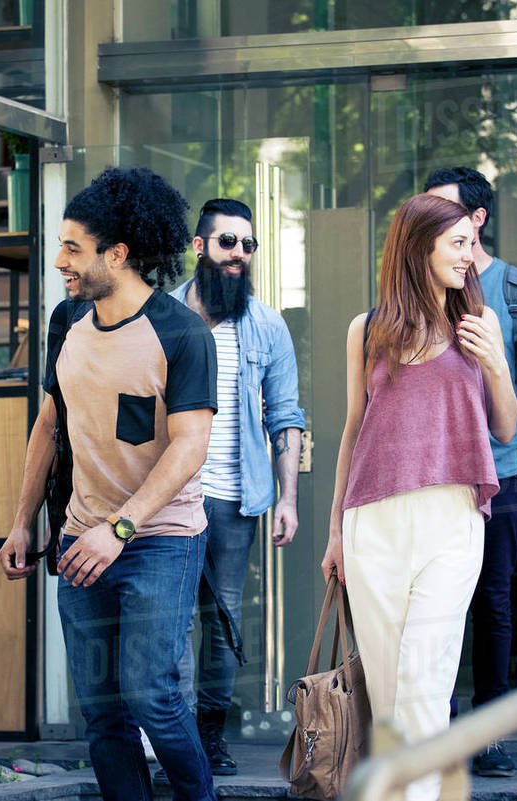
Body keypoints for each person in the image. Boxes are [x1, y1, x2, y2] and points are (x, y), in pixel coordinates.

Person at [0, 167, 218, 801]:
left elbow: (190, 446)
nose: (60, 261)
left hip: (160, 538)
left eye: (73, 247)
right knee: (103, 712)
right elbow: (49, 425)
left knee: (151, 694)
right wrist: (22, 521)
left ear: (117, 254)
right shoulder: (67, 321)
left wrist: (120, 529)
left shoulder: (181, 333)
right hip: (77, 539)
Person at [322, 193, 517, 801]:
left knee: (424, 680)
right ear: (419, 246)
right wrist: (335, 532)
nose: (469, 255)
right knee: (388, 694)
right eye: (457, 243)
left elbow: (506, 428)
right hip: (371, 520)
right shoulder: (366, 330)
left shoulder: (478, 326)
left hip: (452, 517)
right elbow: (354, 430)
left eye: (471, 243)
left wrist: (496, 367)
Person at [424, 167, 517, 777]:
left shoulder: (514, 288)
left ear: (476, 219)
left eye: (447, 211)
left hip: (501, 469)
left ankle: (489, 732)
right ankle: (440, 726)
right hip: (436, 476)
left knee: (495, 603)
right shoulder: (419, 285)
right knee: (435, 604)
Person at [168, 198, 305, 775]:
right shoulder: (162, 315)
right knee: (171, 622)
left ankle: (210, 736)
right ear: (199, 248)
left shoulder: (266, 324)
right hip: (168, 495)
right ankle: (174, 743)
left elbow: (286, 415)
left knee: (221, 621)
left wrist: (288, 498)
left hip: (232, 498)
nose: (239, 255)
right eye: (227, 242)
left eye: (247, 245)